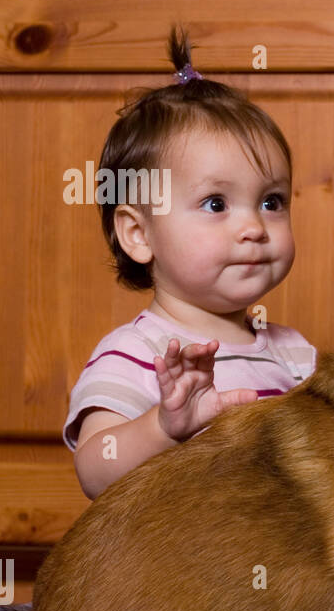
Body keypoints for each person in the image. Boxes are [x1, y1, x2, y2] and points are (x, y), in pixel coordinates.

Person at [63, 27, 315, 499]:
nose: (255, 228)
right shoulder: (137, 353)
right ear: (138, 235)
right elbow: (95, 471)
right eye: (216, 204)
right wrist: (164, 427)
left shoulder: (297, 357)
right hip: (180, 569)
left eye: (272, 201)